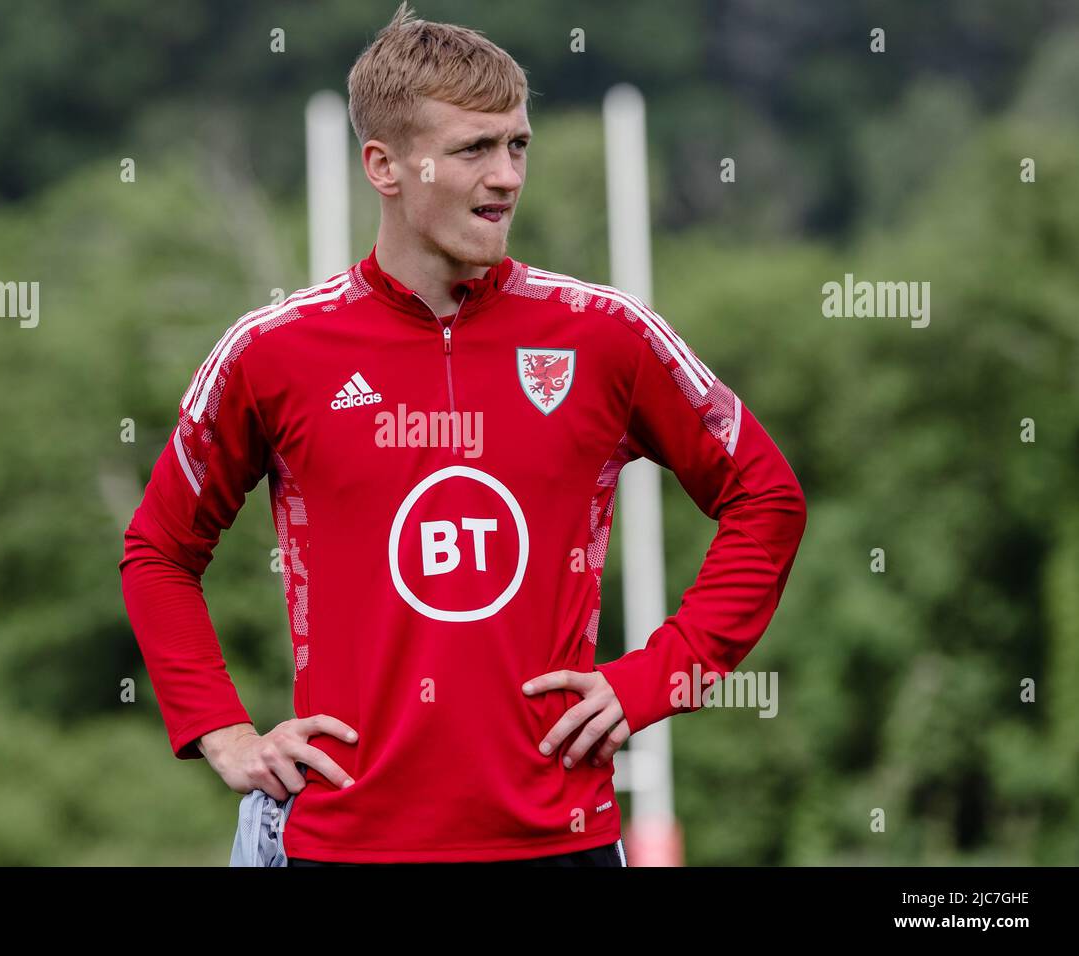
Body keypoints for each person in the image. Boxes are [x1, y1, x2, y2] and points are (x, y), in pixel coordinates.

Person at [119, 2, 807, 866]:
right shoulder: (272, 351)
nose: (507, 175)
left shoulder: (604, 335)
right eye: (473, 149)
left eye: (517, 145)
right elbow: (158, 551)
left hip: (559, 844)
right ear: (385, 166)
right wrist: (221, 731)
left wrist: (660, 677)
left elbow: (767, 498)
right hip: (344, 845)